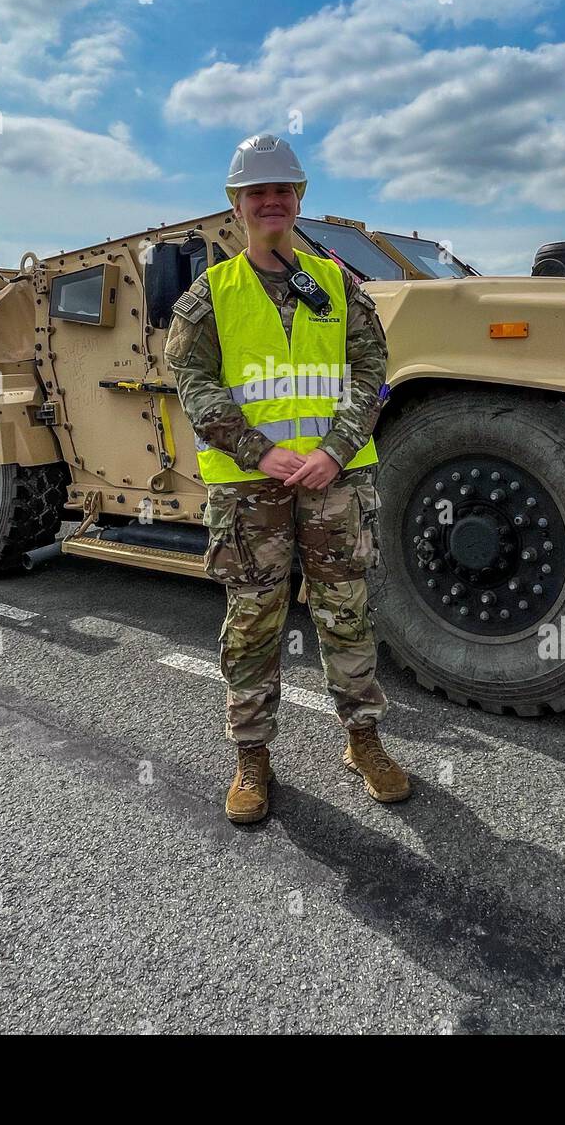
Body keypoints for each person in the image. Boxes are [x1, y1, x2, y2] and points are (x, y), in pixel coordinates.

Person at [165, 133, 411, 823]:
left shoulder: (336, 283)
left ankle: (363, 743)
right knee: (252, 621)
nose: (270, 201)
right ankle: (251, 758)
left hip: (333, 481)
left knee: (345, 615)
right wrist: (257, 451)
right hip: (250, 489)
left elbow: (371, 373)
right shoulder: (211, 292)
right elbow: (192, 381)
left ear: (298, 200)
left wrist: (333, 449)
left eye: (282, 190)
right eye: (256, 192)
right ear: (236, 206)